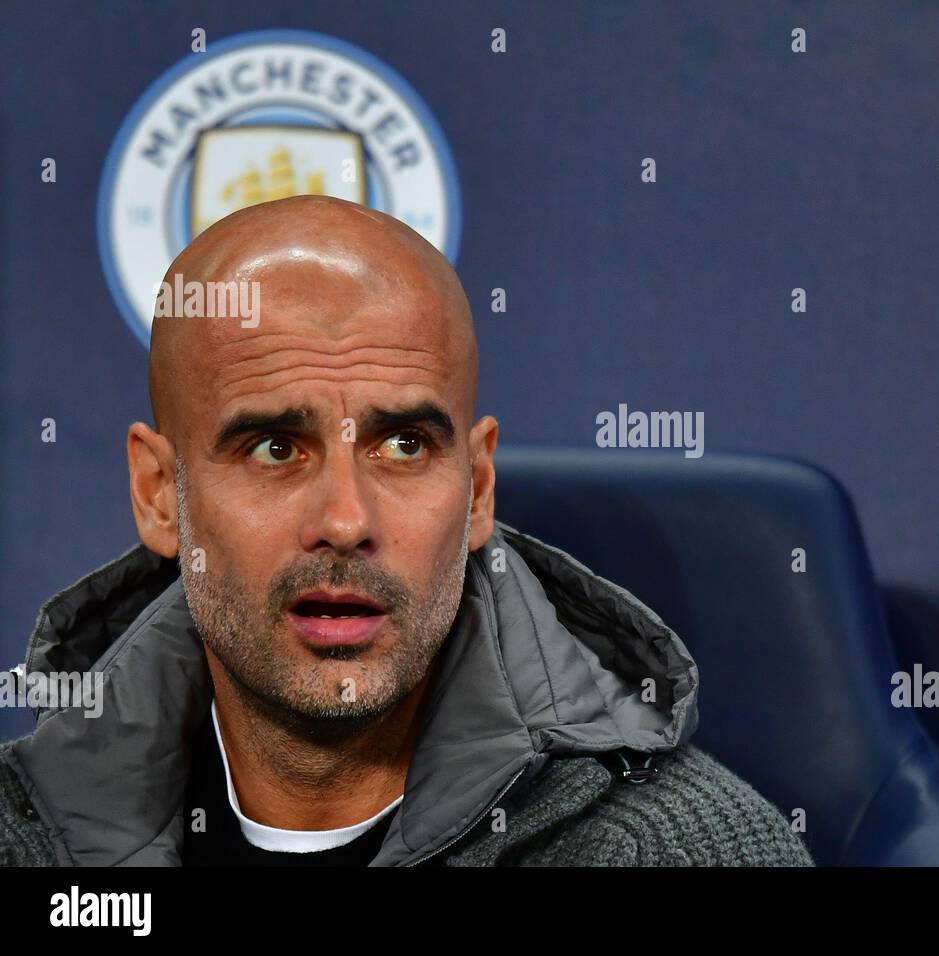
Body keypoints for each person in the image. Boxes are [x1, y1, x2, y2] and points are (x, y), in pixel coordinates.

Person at [0, 196, 813, 866]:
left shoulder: (681, 854)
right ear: (160, 497)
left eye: (404, 446)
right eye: (277, 448)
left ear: (478, 489)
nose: (346, 522)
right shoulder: (26, 839)